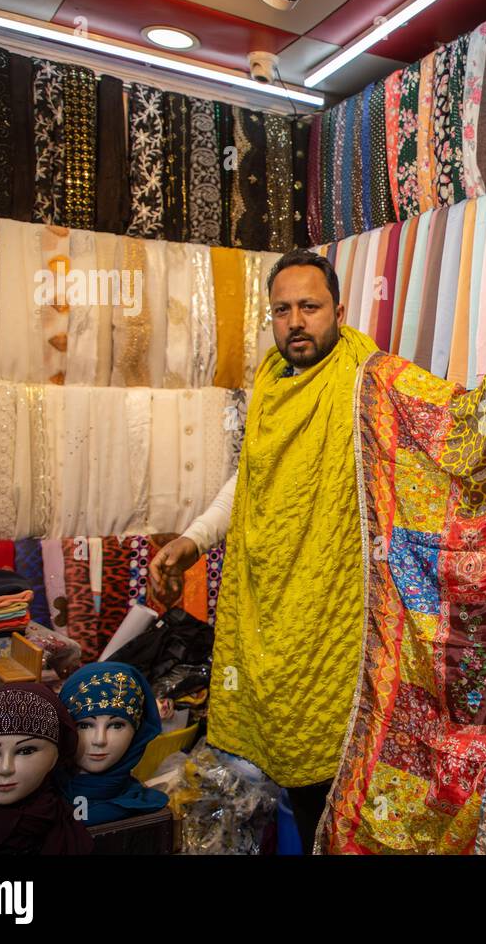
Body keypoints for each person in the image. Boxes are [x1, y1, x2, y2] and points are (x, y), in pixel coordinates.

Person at [149, 250, 372, 853]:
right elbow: (246, 481)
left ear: (338, 311)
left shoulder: (372, 381)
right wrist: (192, 541)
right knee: (290, 778)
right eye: (282, 309)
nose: (296, 321)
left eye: (309, 306)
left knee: (336, 781)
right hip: (269, 608)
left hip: (337, 615)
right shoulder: (270, 385)